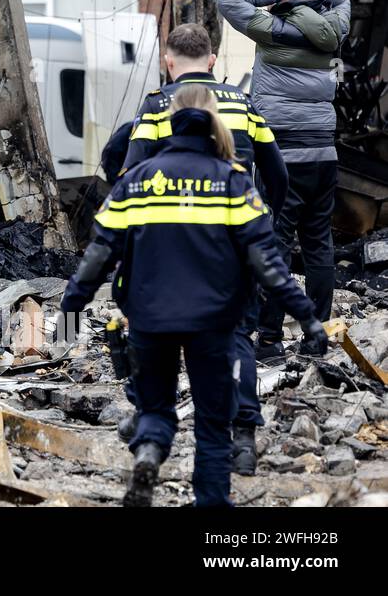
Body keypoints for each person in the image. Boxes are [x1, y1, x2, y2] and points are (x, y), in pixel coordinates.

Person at [61, 85, 328, 507]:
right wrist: (308, 317)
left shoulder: (137, 181)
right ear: (215, 125)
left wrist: (71, 306)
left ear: (167, 123)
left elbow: (98, 254)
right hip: (215, 324)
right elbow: (268, 263)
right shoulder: (233, 181)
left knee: (155, 409)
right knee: (211, 426)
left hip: (149, 319)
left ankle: (149, 450)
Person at [121, 22, 288, 474]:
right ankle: (244, 440)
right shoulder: (246, 104)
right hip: (233, 246)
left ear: (168, 63)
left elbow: (130, 172)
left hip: (167, 245)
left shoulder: (158, 106)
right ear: (212, 61)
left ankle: (149, 420)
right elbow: (278, 177)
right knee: (236, 339)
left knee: (154, 330)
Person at [218, 0, 350, 358]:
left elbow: (229, 0)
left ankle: (271, 339)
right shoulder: (335, 29)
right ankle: (317, 337)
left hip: (284, 156)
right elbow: (344, 0)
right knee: (319, 245)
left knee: (274, 245)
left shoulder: (271, 30)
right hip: (324, 153)